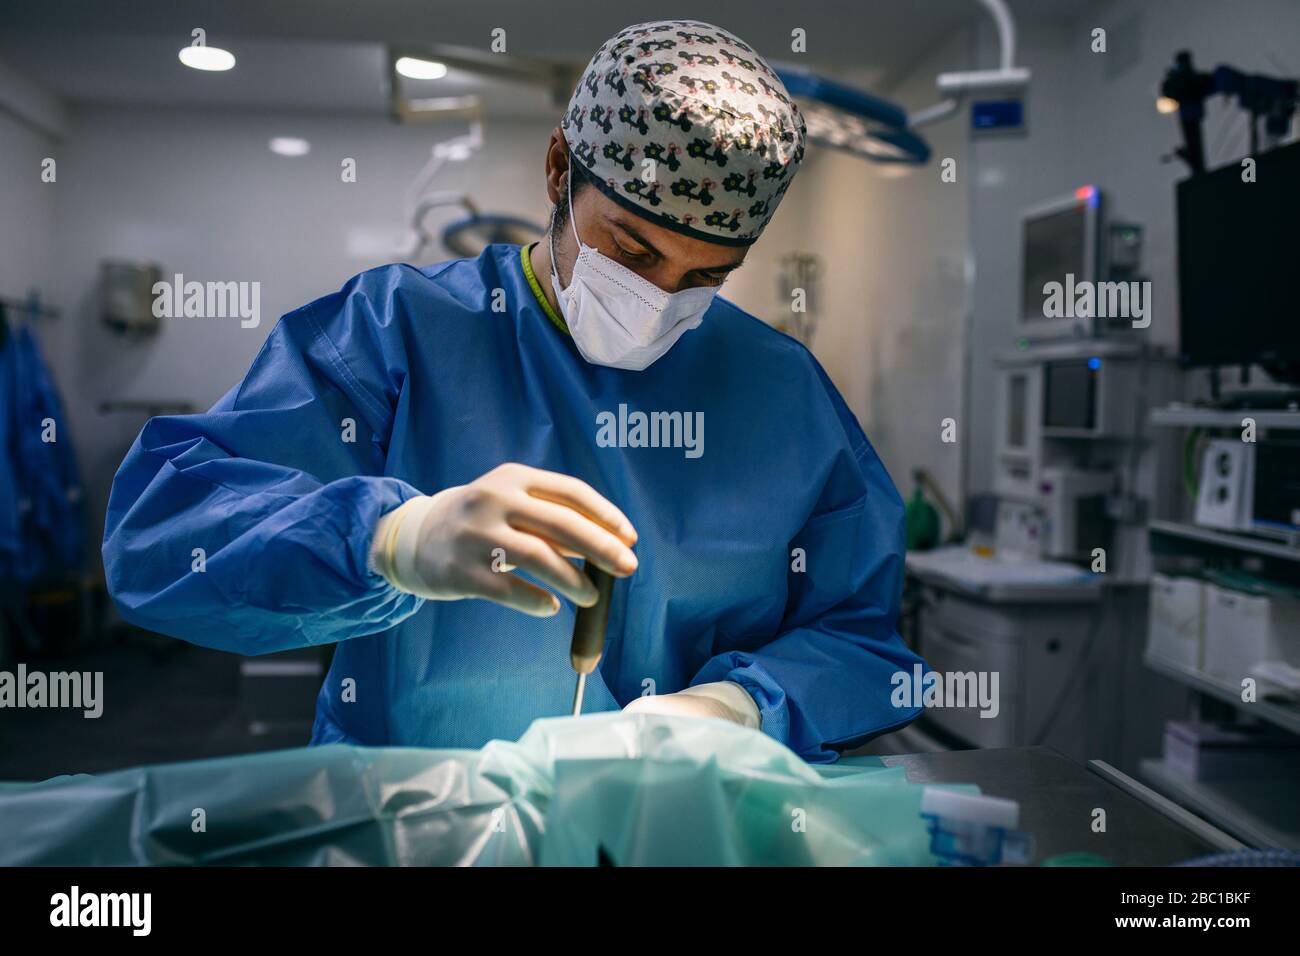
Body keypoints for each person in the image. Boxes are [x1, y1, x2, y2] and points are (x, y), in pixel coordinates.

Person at [102, 19, 925, 763]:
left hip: (672, 827)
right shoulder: (400, 333)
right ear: (559, 169)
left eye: (706, 274)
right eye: (632, 253)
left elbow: (861, 643)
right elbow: (161, 530)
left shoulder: (781, 392)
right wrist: (392, 537)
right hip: (419, 823)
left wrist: (740, 708)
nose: (660, 300)